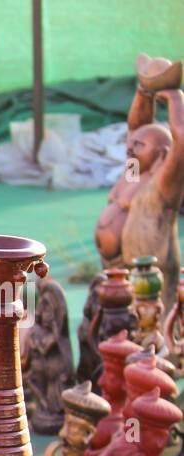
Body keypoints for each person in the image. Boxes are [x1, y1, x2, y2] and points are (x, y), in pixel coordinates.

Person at [94, 56, 184, 312]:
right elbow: (137, 126)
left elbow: (182, 138)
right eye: (131, 144)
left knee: (148, 330)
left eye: (140, 145)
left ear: (162, 153)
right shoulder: (134, 172)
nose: (131, 147)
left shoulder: (164, 184)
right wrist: (145, 91)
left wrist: (174, 97)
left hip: (149, 280)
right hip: (114, 270)